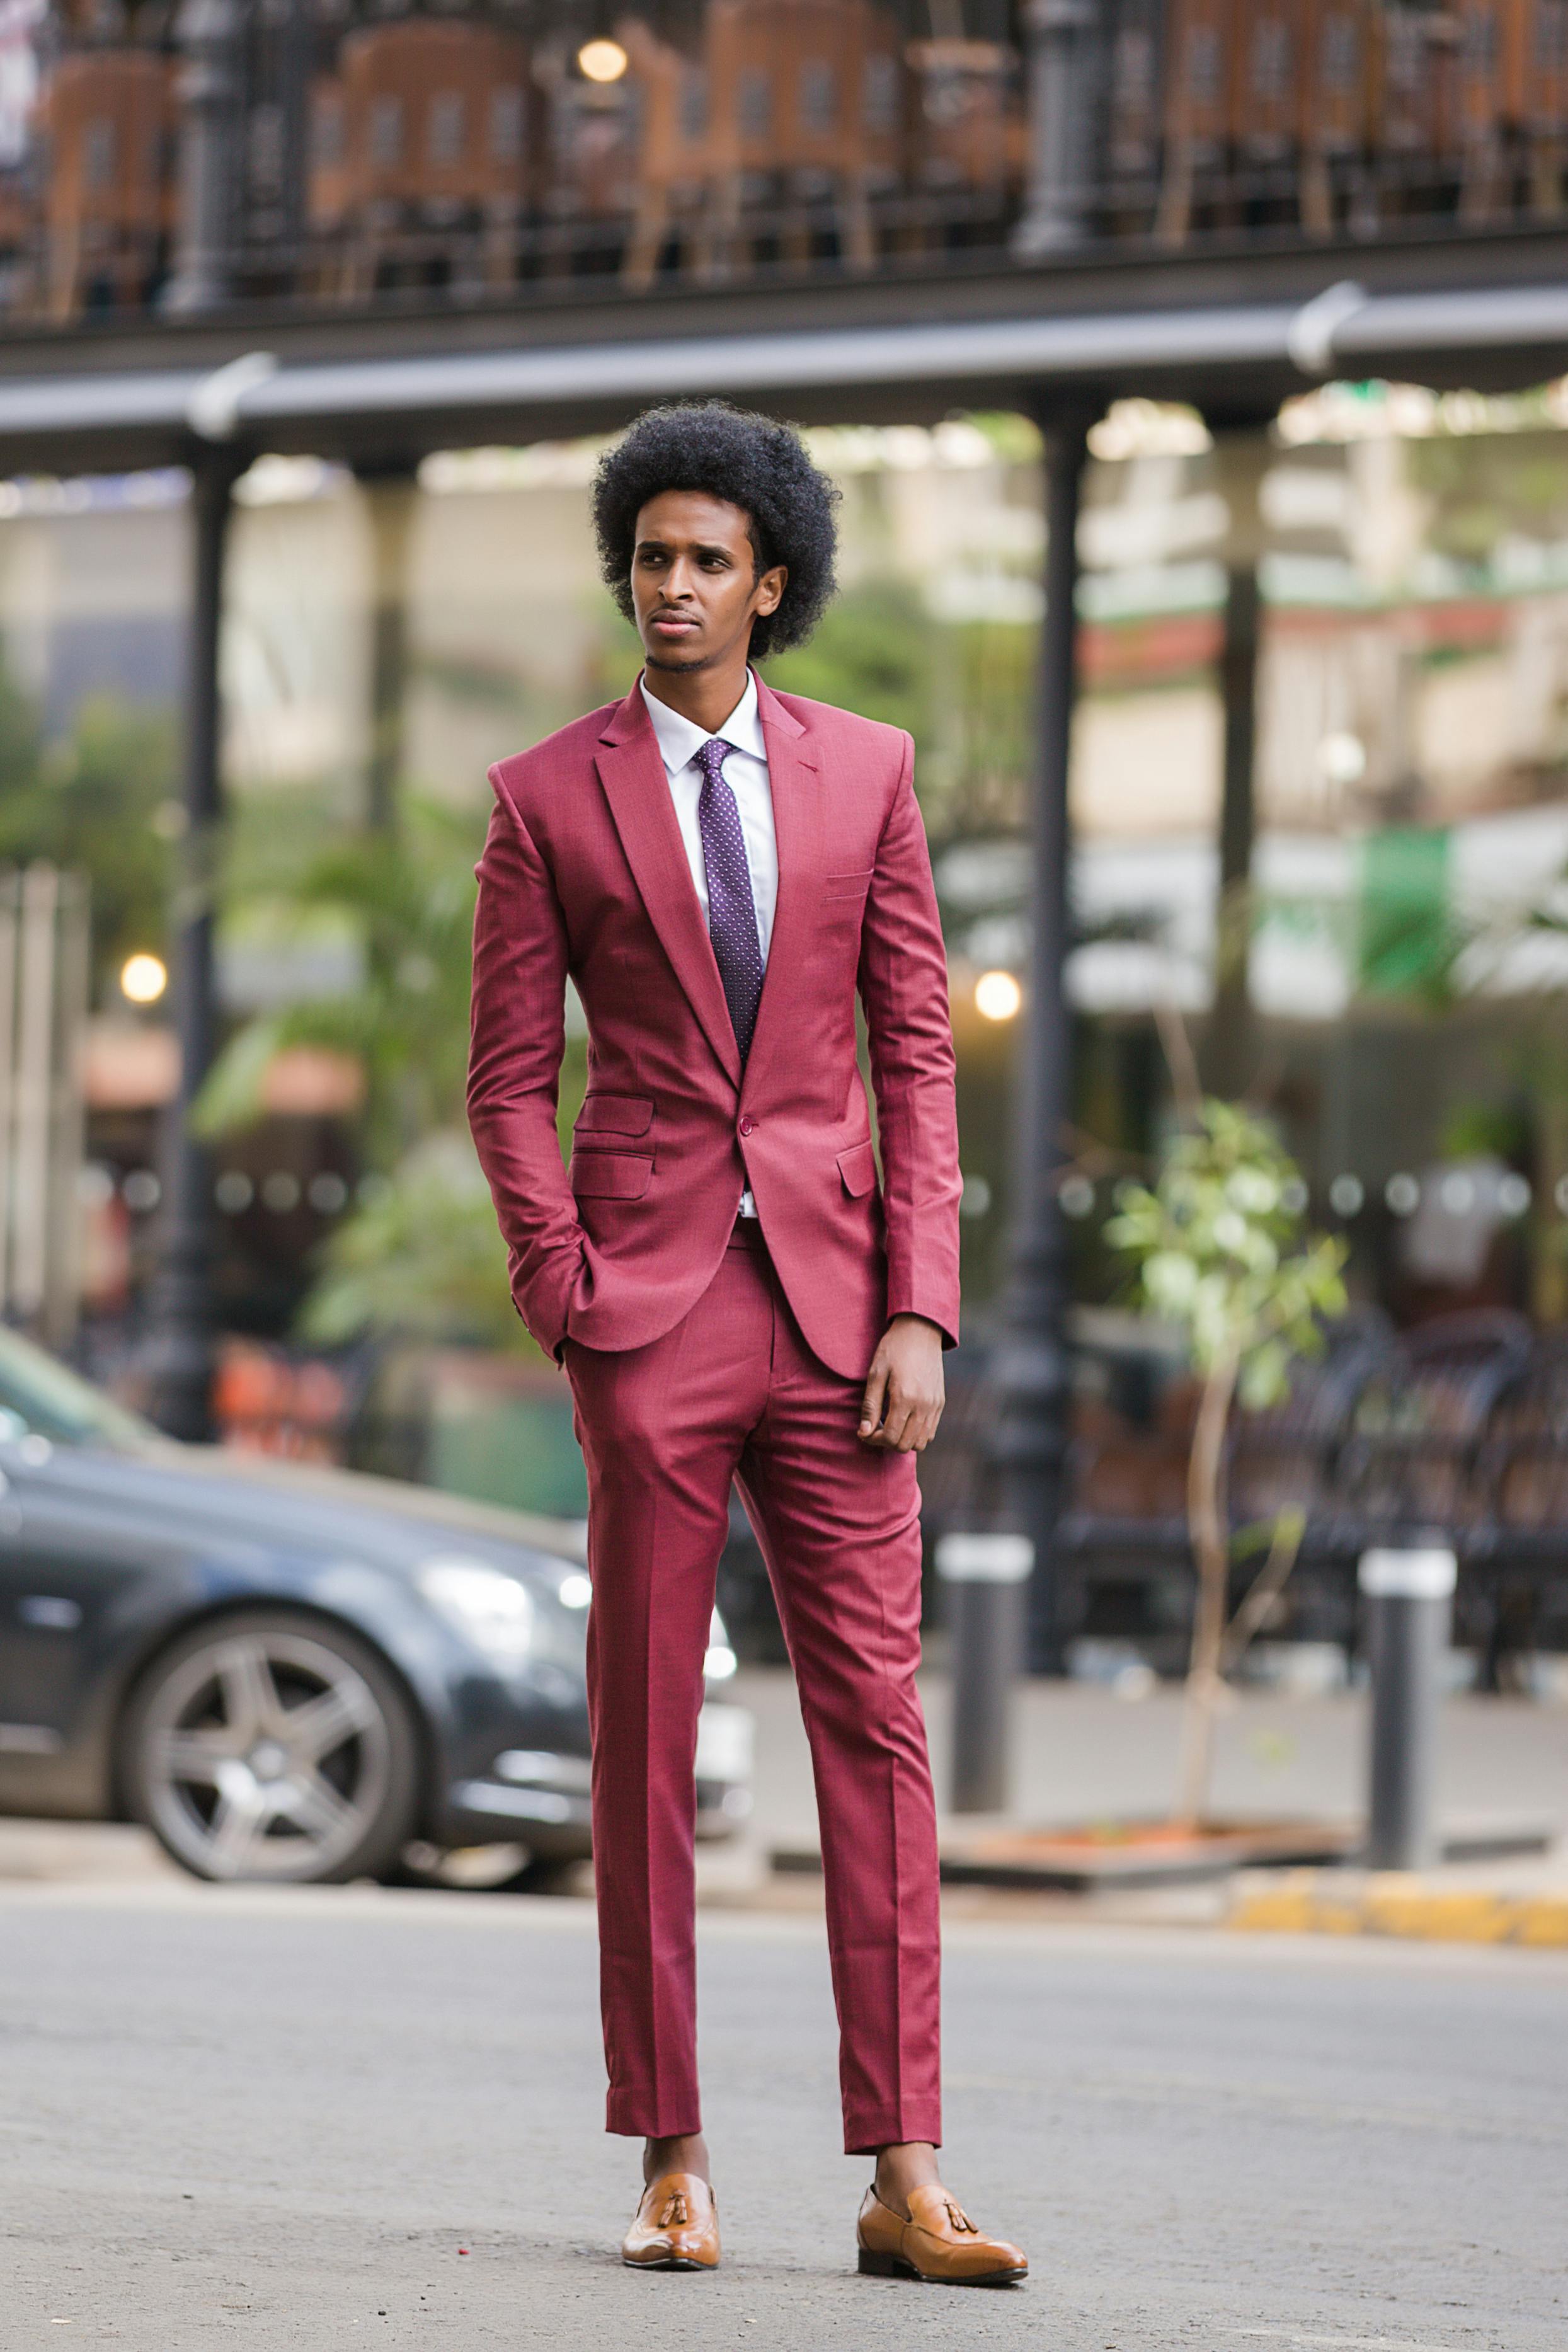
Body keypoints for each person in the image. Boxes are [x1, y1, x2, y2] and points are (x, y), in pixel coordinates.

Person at [467, 402, 1027, 2287]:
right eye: (651, 557)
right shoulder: (544, 795)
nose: (674, 586)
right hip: (645, 1310)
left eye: (708, 560)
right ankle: (673, 2156)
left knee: (875, 1724)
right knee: (642, 1733)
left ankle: (902, 2168)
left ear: (769, 584)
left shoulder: (866, 772)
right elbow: (505, 1081)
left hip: (841, 1313)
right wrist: (564, 1288)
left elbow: (915, 1055)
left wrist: (923, 1300)